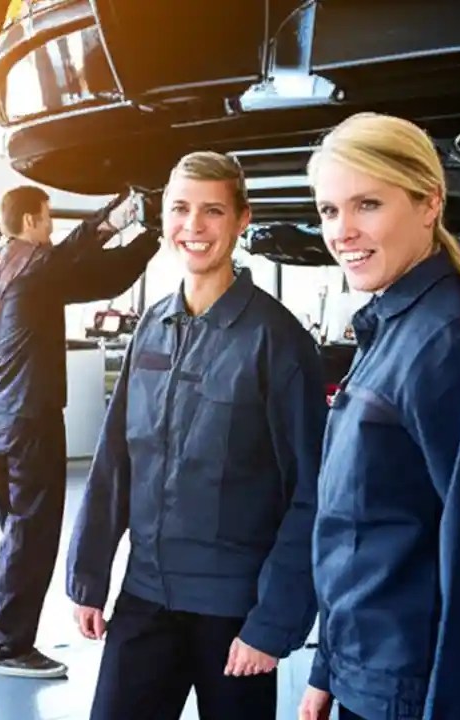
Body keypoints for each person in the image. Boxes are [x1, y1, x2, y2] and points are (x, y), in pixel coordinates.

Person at [66, 151, 328, 719]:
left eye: (212, 211)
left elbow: (311, 492)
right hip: (145, 595)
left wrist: (274, 620)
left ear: (241, 219)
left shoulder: (277, 341)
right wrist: (90, 573)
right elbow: (115, 461)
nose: (194, 226)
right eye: (181, 208)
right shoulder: (151, 329)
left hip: (234, 612)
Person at [297, 112, 460, 720]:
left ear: (430, 202)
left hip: (411, 695)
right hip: (362, 677)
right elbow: (360, 535)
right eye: (329, 210)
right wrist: (329, 667)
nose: (343, 231)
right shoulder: (389, 327)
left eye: (367, 204)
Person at [0, 185, 160, 678]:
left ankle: (2, 632)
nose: (51, 230)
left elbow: (98, 277)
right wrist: (118, 217)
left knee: (19, 530)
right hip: (30, 416)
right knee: (32, 532)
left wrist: (148, 241)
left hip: (2, 417)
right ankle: (7, 643)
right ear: (32, 221)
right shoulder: (33, 265)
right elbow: (76, 252)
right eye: (47, 220)